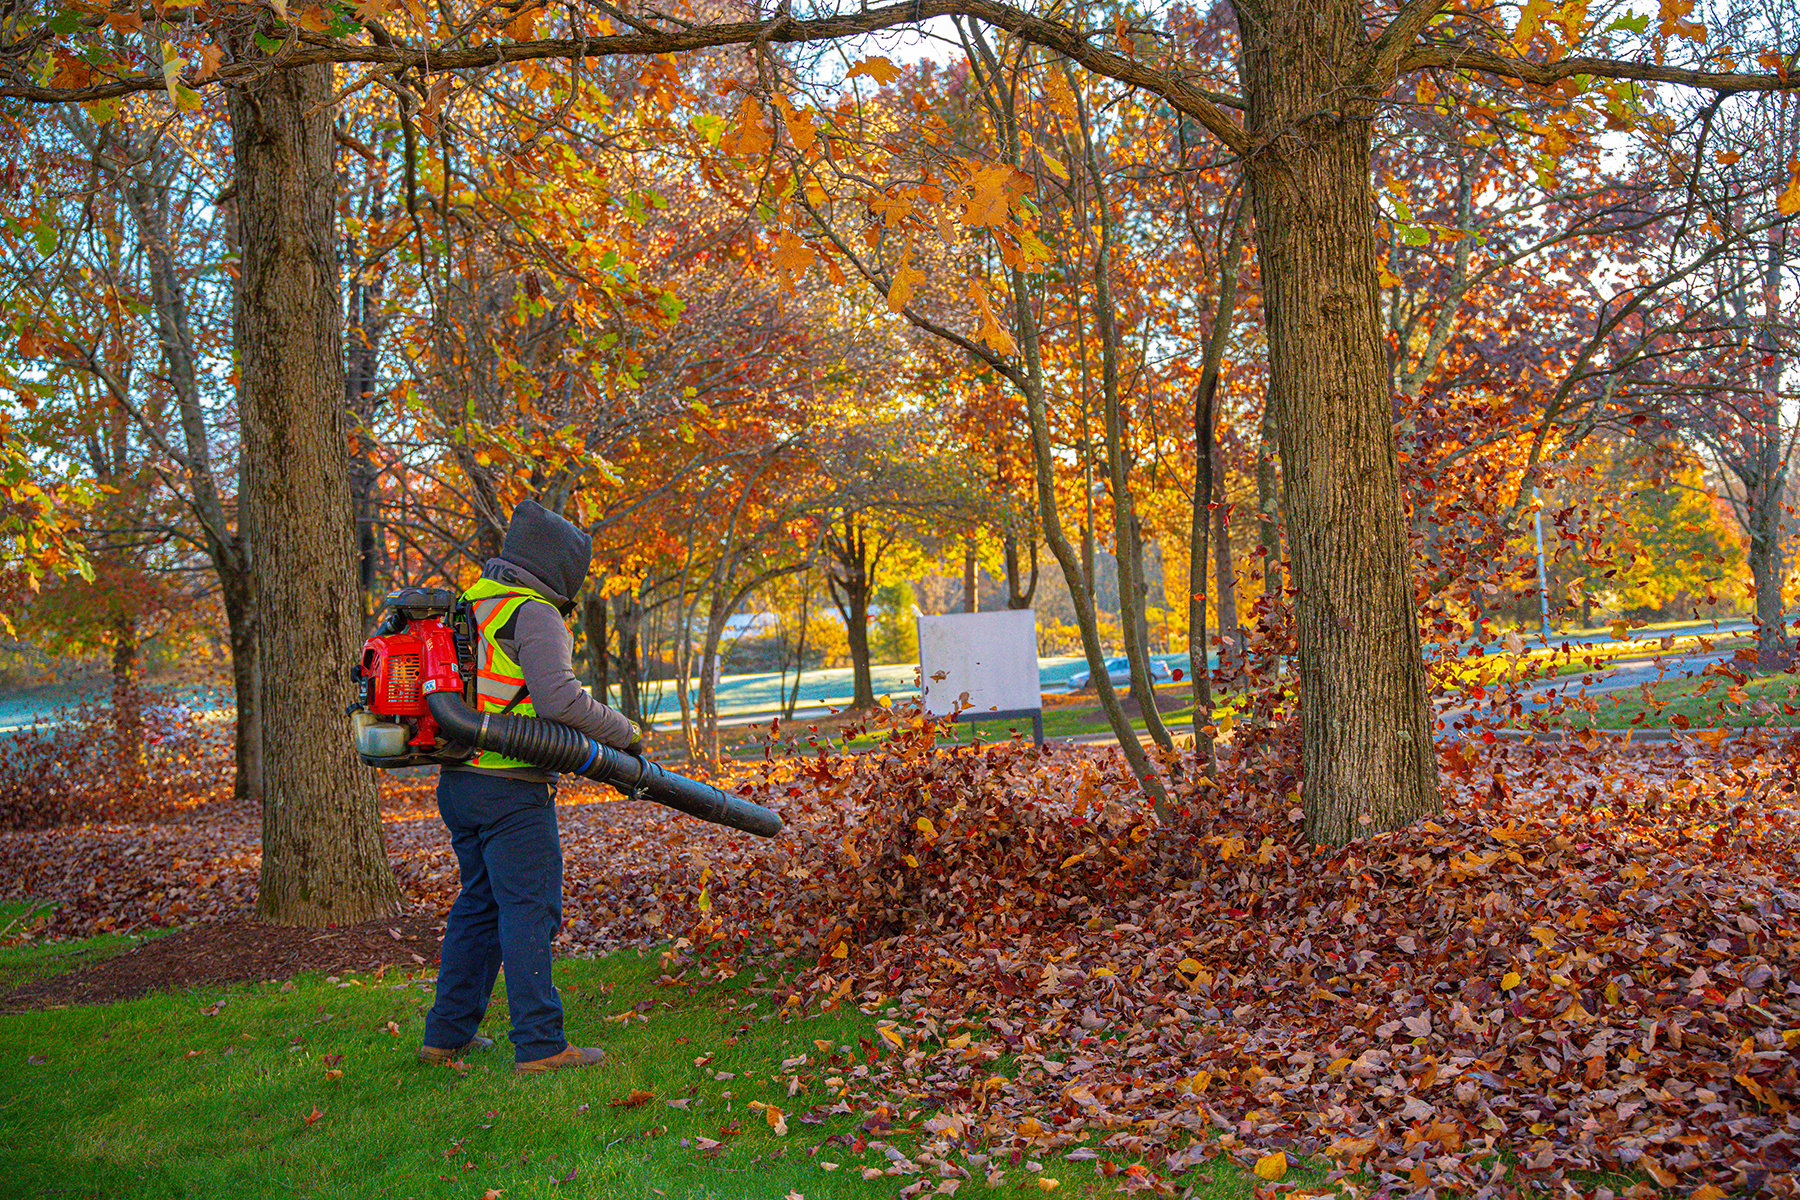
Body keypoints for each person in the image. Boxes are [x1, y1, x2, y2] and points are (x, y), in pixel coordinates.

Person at [418, 499, 640, 1074]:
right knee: (529, 910)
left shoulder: (472, 601)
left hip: (459, 783)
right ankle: (541, 1046)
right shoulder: (535, 613)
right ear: (559, 569)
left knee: (480, 906)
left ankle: (446, 1035)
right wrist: (626, 733)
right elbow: (559, 700)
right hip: (511, 787)